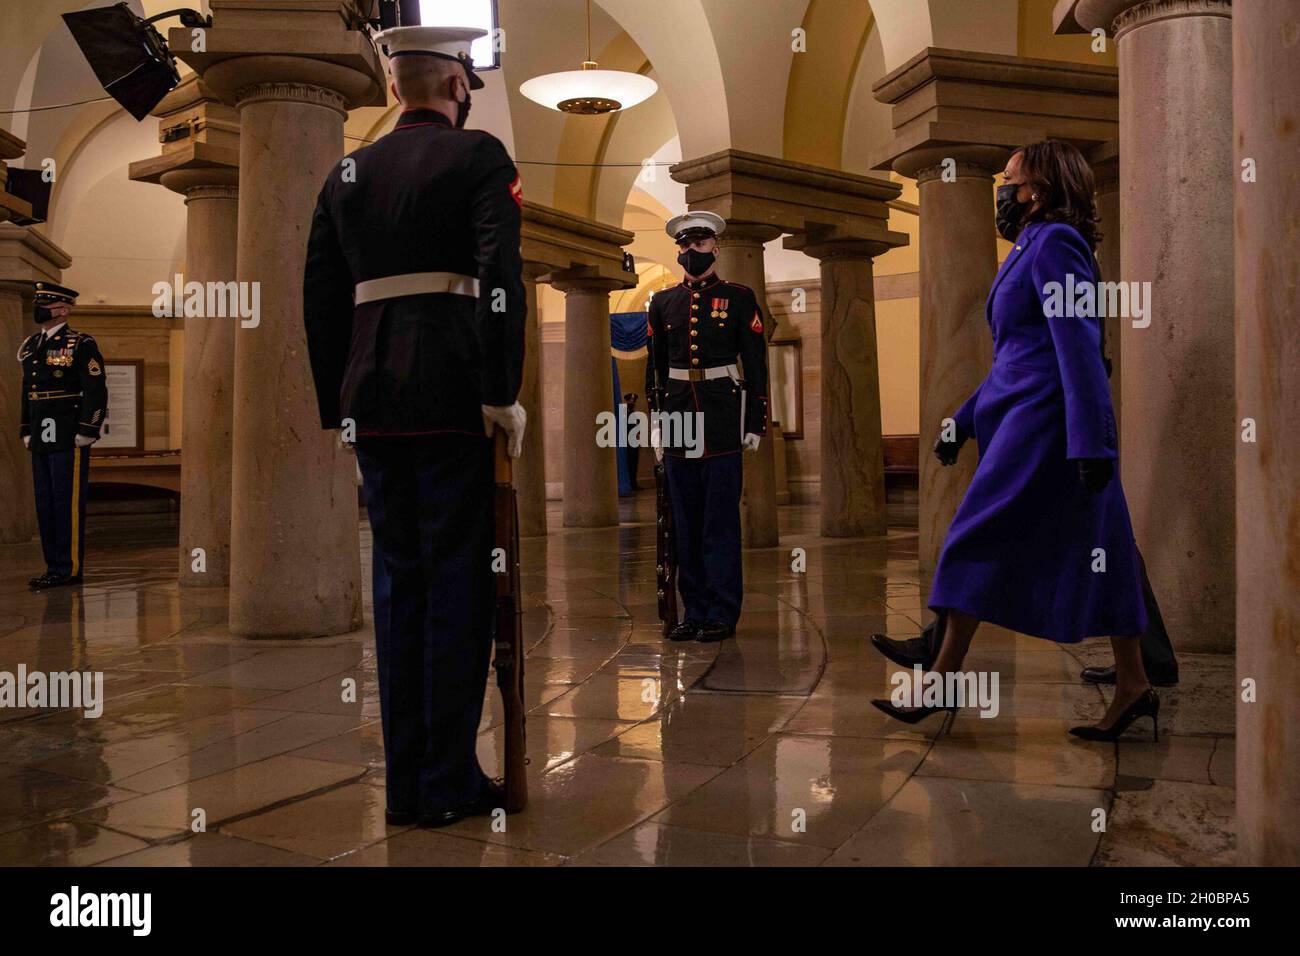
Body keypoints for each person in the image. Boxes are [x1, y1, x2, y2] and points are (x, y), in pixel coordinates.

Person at [302, 23, 527, 828]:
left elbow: (321, 296)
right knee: (459, 586)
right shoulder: (479, 157)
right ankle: (447, 782)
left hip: (373, 399)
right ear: (458, 85)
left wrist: (340, 402)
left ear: (395, 88)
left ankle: (406, 783)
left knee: (399, 586)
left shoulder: (346, 171)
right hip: (450, 394)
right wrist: (501, 388)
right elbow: (499, 276)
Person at [870, 140, 1157, 741]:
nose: (1002, 187)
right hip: (1019, 417)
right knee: (1105, 551)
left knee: (975, 537)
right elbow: (1013, 360)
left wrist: (1091, 444)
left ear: (1040, 189)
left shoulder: (1057, 244)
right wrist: (964, 420)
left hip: (1047, 428)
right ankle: (1134, 684)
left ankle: (942, 677)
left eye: (1010, 177)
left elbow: (1078, 347)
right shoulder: (1029, 246)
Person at [645, 212, 768, 643]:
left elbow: (755, 363)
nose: (689, 253)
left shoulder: (738, 297)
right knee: (685, 521)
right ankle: (693, 610)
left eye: (698, 245)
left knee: (719, 522)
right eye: (683, 246)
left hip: (720, 418)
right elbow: (656, 369)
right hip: (678, 415)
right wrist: (657, 424)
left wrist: (755, 420)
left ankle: (721, 611)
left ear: (715, 247)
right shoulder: (662, 302)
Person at [17, 282, 107, 590]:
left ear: (64, 309)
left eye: (46, 303)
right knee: (45, 501)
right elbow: (28, 392)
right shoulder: (31, 345)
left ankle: (68, 568)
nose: (39, 307)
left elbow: (96, 391)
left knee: (64, 501)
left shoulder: (80, 343)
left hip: (69, 433)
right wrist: (26, 428)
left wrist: (87, 430)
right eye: (39, 301)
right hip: (41, 432)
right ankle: (53, 565)